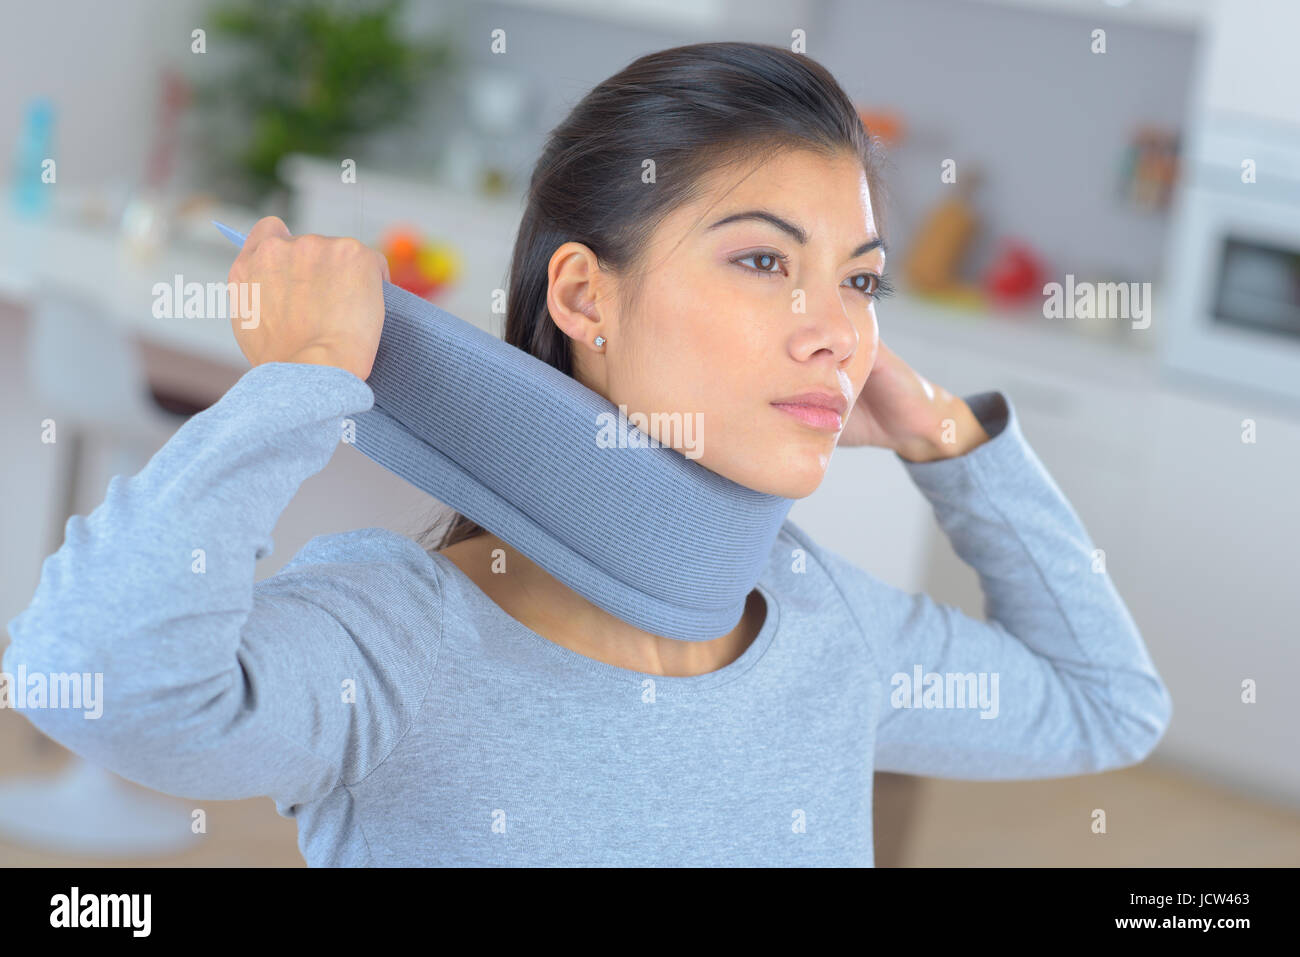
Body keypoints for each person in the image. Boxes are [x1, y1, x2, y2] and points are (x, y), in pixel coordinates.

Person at [4, 42, 1171, 866]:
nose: (838, 328)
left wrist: (949, 442)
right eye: (764, 260)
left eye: (860, 280)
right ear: (582, 294)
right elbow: (97, 682)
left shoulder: (825, 623)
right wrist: (296, 386)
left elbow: (1107, 706)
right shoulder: (398, 639)